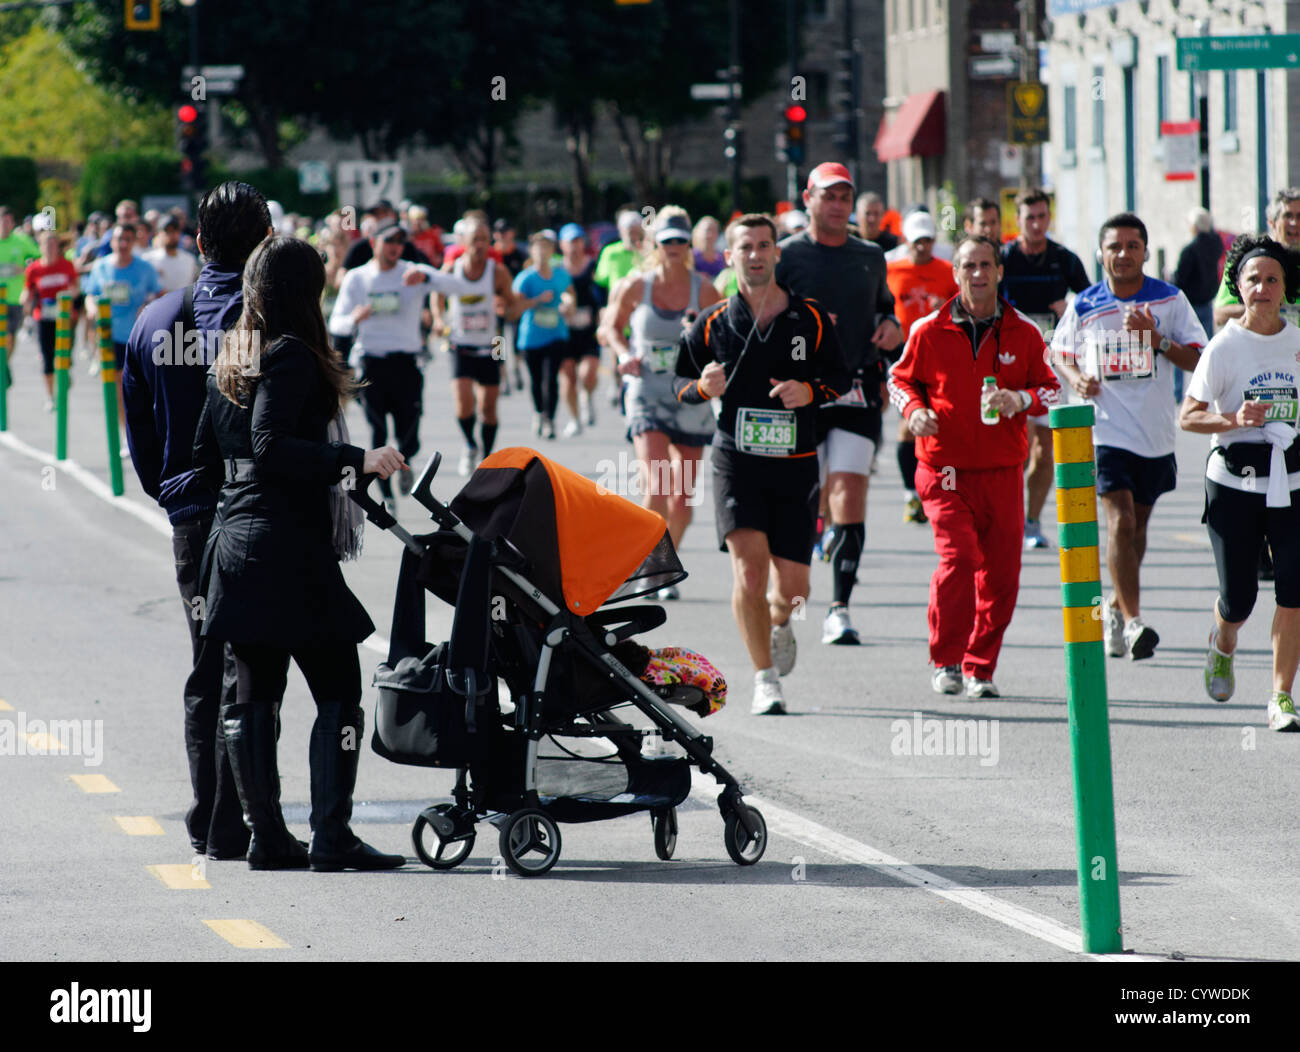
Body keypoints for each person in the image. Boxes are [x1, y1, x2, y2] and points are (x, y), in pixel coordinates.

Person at [192, 234, 407, 871]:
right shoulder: (290, 355)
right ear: (307, 290)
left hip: (236, 542)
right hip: (285, 546)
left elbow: (208, 456)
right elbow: (269, 443)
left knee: (255, 693)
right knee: (340, 683)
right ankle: (331, 836)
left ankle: (266, 837)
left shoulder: (234, 353)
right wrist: (354, 459)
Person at [122, 180, 272, 861]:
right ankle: (240, 815)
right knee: (254, 667)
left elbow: (138, 431)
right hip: (251, 508)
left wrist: (174, 494)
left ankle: (209, 814)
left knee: (208, 659)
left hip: (190, 512)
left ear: (199, 243)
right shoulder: (267, 317)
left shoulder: (155, 319)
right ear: (264, 244)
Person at [674, 213, 849, 714]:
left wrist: (809, 391)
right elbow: (678, 384)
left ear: (777, 253)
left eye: (764, 245)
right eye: (745, 246)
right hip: (737, 463)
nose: (755, 254)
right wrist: (701, 388)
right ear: (729, 257)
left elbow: (841, 376)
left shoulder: (809, 318)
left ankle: (779, 624)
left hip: (795, 465)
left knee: (794, 589)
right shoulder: (712, 321)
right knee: (748, 574)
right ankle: (763, 678)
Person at [887, 235, 1060, 697]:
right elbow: (899, 379)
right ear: (956, 273)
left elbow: (1053, 389)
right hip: (944, 470)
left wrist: (1018, 398)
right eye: (969, 266)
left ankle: (980, 667)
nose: (978, 274)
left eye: (986, 265)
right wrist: (914, 411)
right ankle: (946, 659)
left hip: (1003, 470)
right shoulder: (928, 329)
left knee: (1001, 576)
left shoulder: (1023, 331)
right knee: (960, 558)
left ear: (1000, 272)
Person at [1053, 212, 1208, 660]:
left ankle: (1116, 611)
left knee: (1136, 530)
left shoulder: (1169, 300)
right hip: (1105, 433)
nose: (1122, 254)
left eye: (1131, 246)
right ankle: (1136, 621)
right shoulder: (1084, 304)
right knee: (1119, 521)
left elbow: (1199, 359)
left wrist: (1155, 339)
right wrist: (1077, 378)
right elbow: (1059, 353)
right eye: (1114, 247)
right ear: (1100, 254)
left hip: (1155, 435)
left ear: (1145, 250)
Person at [775, 161, 903, 645]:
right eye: (828, 196)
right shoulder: (786, 256)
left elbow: (883, 306)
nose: (837, 205)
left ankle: (839, 609)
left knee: (850, 490)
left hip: (855, 386)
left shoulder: (870, 254)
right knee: (808, 498)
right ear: (807, 198)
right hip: (800, 392)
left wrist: (891, 327)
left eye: (844, 197)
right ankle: (786, 604)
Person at [1180, 235, 1300, 731]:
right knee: (1241, 599)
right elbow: (1189, 417)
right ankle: (1223, 640)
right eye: (1254, 279)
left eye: (1273, 279)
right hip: (1233, 485)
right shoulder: (1224, 347)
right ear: (1238, 286)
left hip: (1290, 483)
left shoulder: (1297, 342)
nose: (1264, 288)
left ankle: (1280, 698)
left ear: (1285, 288)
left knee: (1293, 591)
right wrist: (1232, 419)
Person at [599, 207, 721, 595]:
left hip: (689, 394)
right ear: (656, 243)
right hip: (646, 391)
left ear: (689, 245)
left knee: (682, 498)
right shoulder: (636, 285)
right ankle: (652, 567)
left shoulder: (704, 289)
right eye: (666, 240)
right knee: (658, 483)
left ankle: (663, 566)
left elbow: (724, 339)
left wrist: (700, 339)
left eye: (680, 240)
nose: (673, 246)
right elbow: (610, 327)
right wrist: (623, 354)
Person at [329, 222, 474, 515]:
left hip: (407, 362)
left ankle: (406, 458)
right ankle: (386, 492)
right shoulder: (358, 278)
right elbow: (336, 322)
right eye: (389, 241)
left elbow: (459, 288)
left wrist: (429, 275)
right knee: (378, 428)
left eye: (401, 241)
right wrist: (354, 319)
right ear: (374, 243)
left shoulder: (412, 272)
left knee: (410, 427)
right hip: (371, 361)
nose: (396, 246)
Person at [999, 188, 1091, 550]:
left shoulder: (1064, 259)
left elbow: (1090, 303)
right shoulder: (1004, 257)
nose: (1036, 224)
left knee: (1044, 451)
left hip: (1050, 362)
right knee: (1015, 451)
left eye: (1042, 216)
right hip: (1008, 361)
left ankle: (1032, 522)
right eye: (1029, 217)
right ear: (1018, 220)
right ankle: (1006, 514)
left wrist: (1069, 307)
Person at [886, 210, 958, 524]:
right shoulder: (891, 269)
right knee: (908, 422)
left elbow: (961, 308)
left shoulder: (947, 271)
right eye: (917, 241)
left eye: (927, 240)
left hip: (938, 354)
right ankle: (911, 494)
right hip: (902, 354)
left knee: (939, 423)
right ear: (907, 241)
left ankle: (942, 489)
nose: (922, 247)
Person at [435, 215, 517, 474]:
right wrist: (438, 318)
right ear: (463, 242)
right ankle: (470, 444)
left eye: (484, 239)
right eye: (474, 240)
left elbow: (511, 306)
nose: (480, 245)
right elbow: (436, 295)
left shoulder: (498, 272)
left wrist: (505, 306)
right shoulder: (452, 269)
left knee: (489, 406)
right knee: (463, 402)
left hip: (493, 343)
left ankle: (486, 456)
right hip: (459, 342)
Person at [513, 230, 572, 439]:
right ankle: (539, 412)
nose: (543, 253)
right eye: (538, 249)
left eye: (546, 248)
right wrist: (536, 300)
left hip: (556, 334)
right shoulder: (525, 278)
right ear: (531, 252)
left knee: (551, 379)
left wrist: (568, 306)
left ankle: (550, 419)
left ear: (552, 251)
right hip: (531, 336)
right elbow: (516, 307)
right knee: (536, 380)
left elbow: (570, 294)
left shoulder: (560, 274)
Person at [1213, 188, 1300, 331]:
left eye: (1299, 216)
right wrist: (1264, 306)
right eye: (1288, 215)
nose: (1294, 223)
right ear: (1272, 222)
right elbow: (1221, 315)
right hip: (1256, 347)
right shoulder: (1247, 259)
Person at [21, 230, 79, 408]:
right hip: (44, 316)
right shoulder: (34, 269)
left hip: (64, 316)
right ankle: (51, 396)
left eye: (53, 245)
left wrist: (67, 295)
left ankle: (64, 373)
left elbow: (75, 288)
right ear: (41, 246)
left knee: (64, 355)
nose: (50, 248)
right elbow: (28, 290)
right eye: (46, 244)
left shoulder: (66, 265)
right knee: (47, 357)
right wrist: (25, 300)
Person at [557, 222, 603, 433]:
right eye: (570, 242)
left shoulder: (593, 266)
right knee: (567, 378)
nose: (574, 246)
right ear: (562, 245)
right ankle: (575, 419)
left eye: (578, 241)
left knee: (588, 373)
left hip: (588, 329)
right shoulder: (556, 270)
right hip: (564, 331)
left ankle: (588, 397)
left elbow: (603, 293)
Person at [1173, 207, 1224, 341]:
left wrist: (1171, 279)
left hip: (1191, 304)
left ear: (1194, 227)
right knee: (1206, 345)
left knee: (1189, 344)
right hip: (1208, 301)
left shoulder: (1190, 250)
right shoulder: (1216, 245)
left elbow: (1181, 279)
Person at [0, 205, 40, 375]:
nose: (5, 225)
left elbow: (39, 259)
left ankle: (4, 365)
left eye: (8, 222)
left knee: (10, 336)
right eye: (2, 221)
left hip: (15, 297)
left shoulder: (22, 240)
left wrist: (24, 268)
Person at [142, 214, 200, 294]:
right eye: (168, 231)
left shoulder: (189, 260)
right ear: (158, 233)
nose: (172, 235)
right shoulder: (148, 260)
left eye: (175, 230)